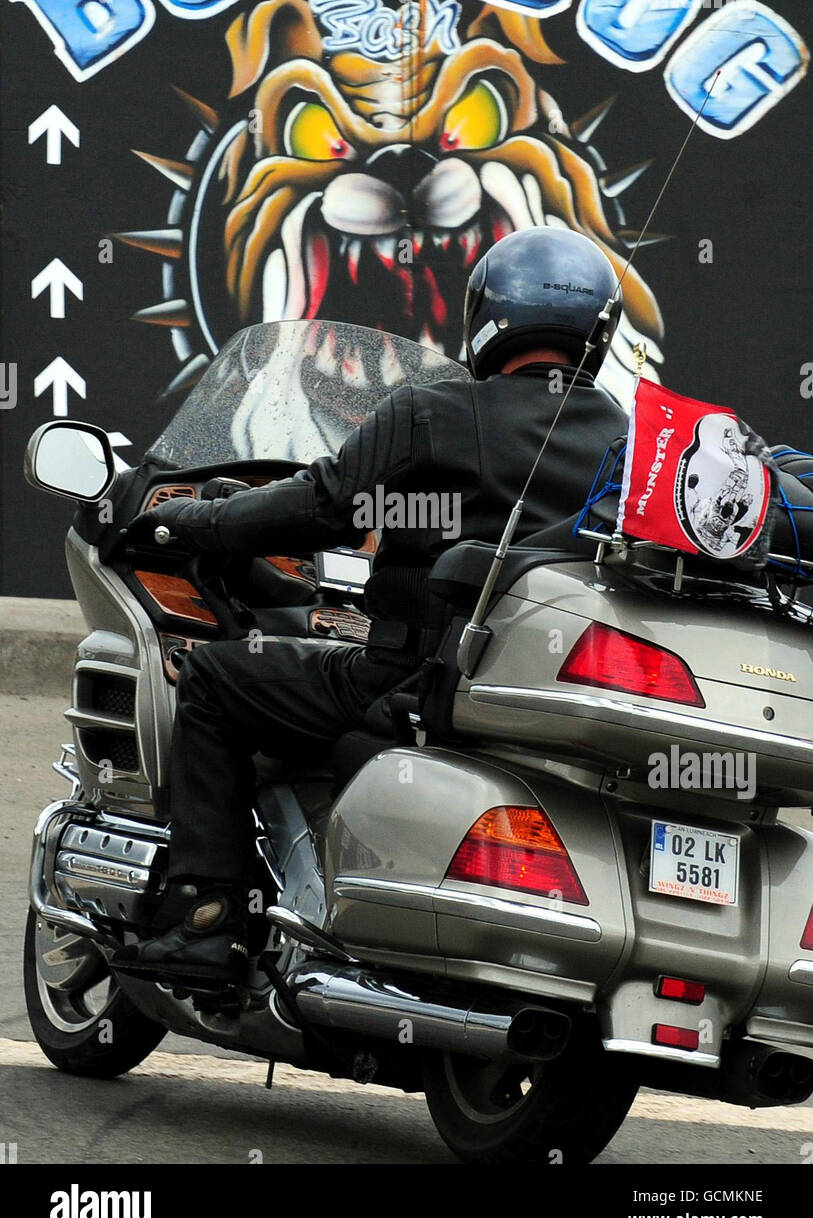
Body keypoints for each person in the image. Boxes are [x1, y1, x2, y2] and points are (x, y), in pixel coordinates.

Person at [112, 225, 633, 986]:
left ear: (488, 315)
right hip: (534, 692)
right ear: (600, 329)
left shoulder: (436, 413)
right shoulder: (627, 439)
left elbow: (317, 507)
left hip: (409, 679)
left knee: (218, 682)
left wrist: (190, 519)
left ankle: (208, 917)